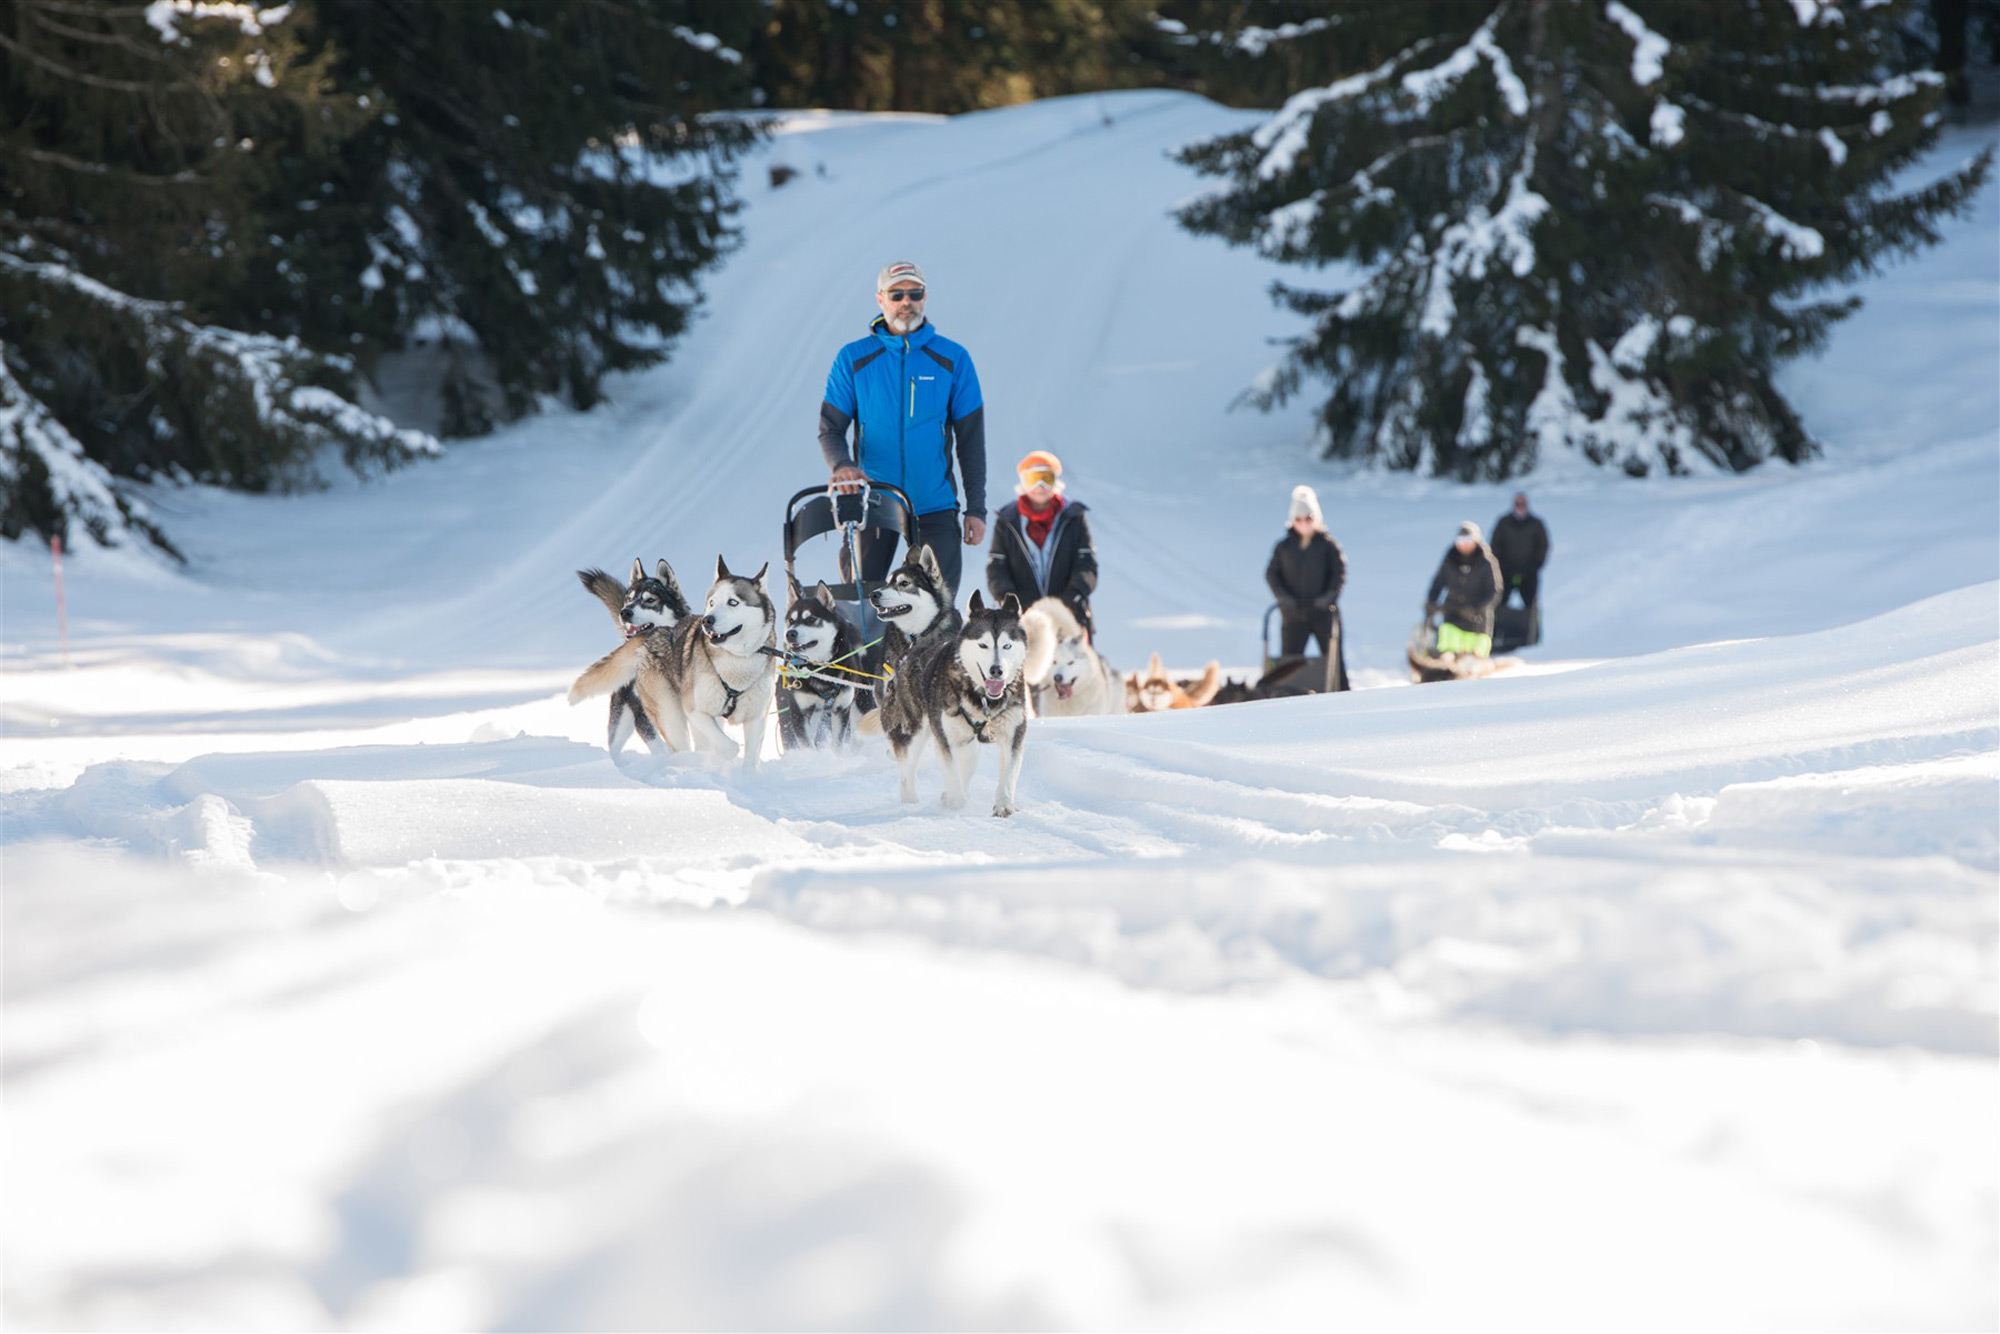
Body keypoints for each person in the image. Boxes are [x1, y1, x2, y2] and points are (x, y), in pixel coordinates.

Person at [819, 260, 987, 599]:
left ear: (925, 297)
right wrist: (842, 466)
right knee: (861, 604)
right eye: (897, 294)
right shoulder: (854, 358)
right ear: (881, 300)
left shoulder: (953, 359)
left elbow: (971, 443)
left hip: (934, 503)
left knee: (938, 607)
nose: (906, 302)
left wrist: (976, 509)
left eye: (914, 293)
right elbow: (830, 430)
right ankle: (869, 654)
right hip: (873, 501)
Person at [986, 450, 1098, 638]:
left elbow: (1086, 564)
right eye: (1033, 479)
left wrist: (1071, 598)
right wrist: (1010, 601)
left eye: (1047, 478)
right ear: (1023, 482)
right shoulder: (1007, 521)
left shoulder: (1074, 517)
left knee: (1071, 664)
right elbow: (997, 567)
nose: (1040, 486)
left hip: (1069, 612)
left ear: (1056, 481)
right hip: (1023, 615)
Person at [1264, 484, 1349, 691]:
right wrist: (1283, 598)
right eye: (1299, 519)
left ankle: (1341, 695)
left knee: (1333, 660)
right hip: (1293, 613)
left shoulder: (1328, 546)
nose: (1304, 524)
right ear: (1292, 521)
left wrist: (1329, 597)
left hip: (1323, 612)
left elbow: (1339, 574)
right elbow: (1272, 574)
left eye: (1308, 519)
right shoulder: (1284, 547)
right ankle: (1284, 695)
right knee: (1290, 661)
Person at [1426, 520, 1503, 657]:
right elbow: (1438, 582)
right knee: (1447, 655)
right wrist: (1431, 601)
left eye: (1468, 540)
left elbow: (1494, 590)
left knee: (1473, 661)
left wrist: (1478, 608)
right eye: (1460, 540)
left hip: (1477, 621)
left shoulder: (1486, 562)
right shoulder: (1450, 559)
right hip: (1452, 615)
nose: (1464, 544)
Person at [1490, 491, 1550, 609]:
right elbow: (1495, 545)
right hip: (1505, 573)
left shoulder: (1536, 524)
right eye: (1518, 503)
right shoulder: (1503, 522)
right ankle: (1497, 627)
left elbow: (1543, 547)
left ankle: (1533, 627)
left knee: (1531, 606)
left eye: (1523, 503)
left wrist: (1533, 566)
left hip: (1529, 573)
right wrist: (1503, 566)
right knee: (1499, 604)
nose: (1520, 506)